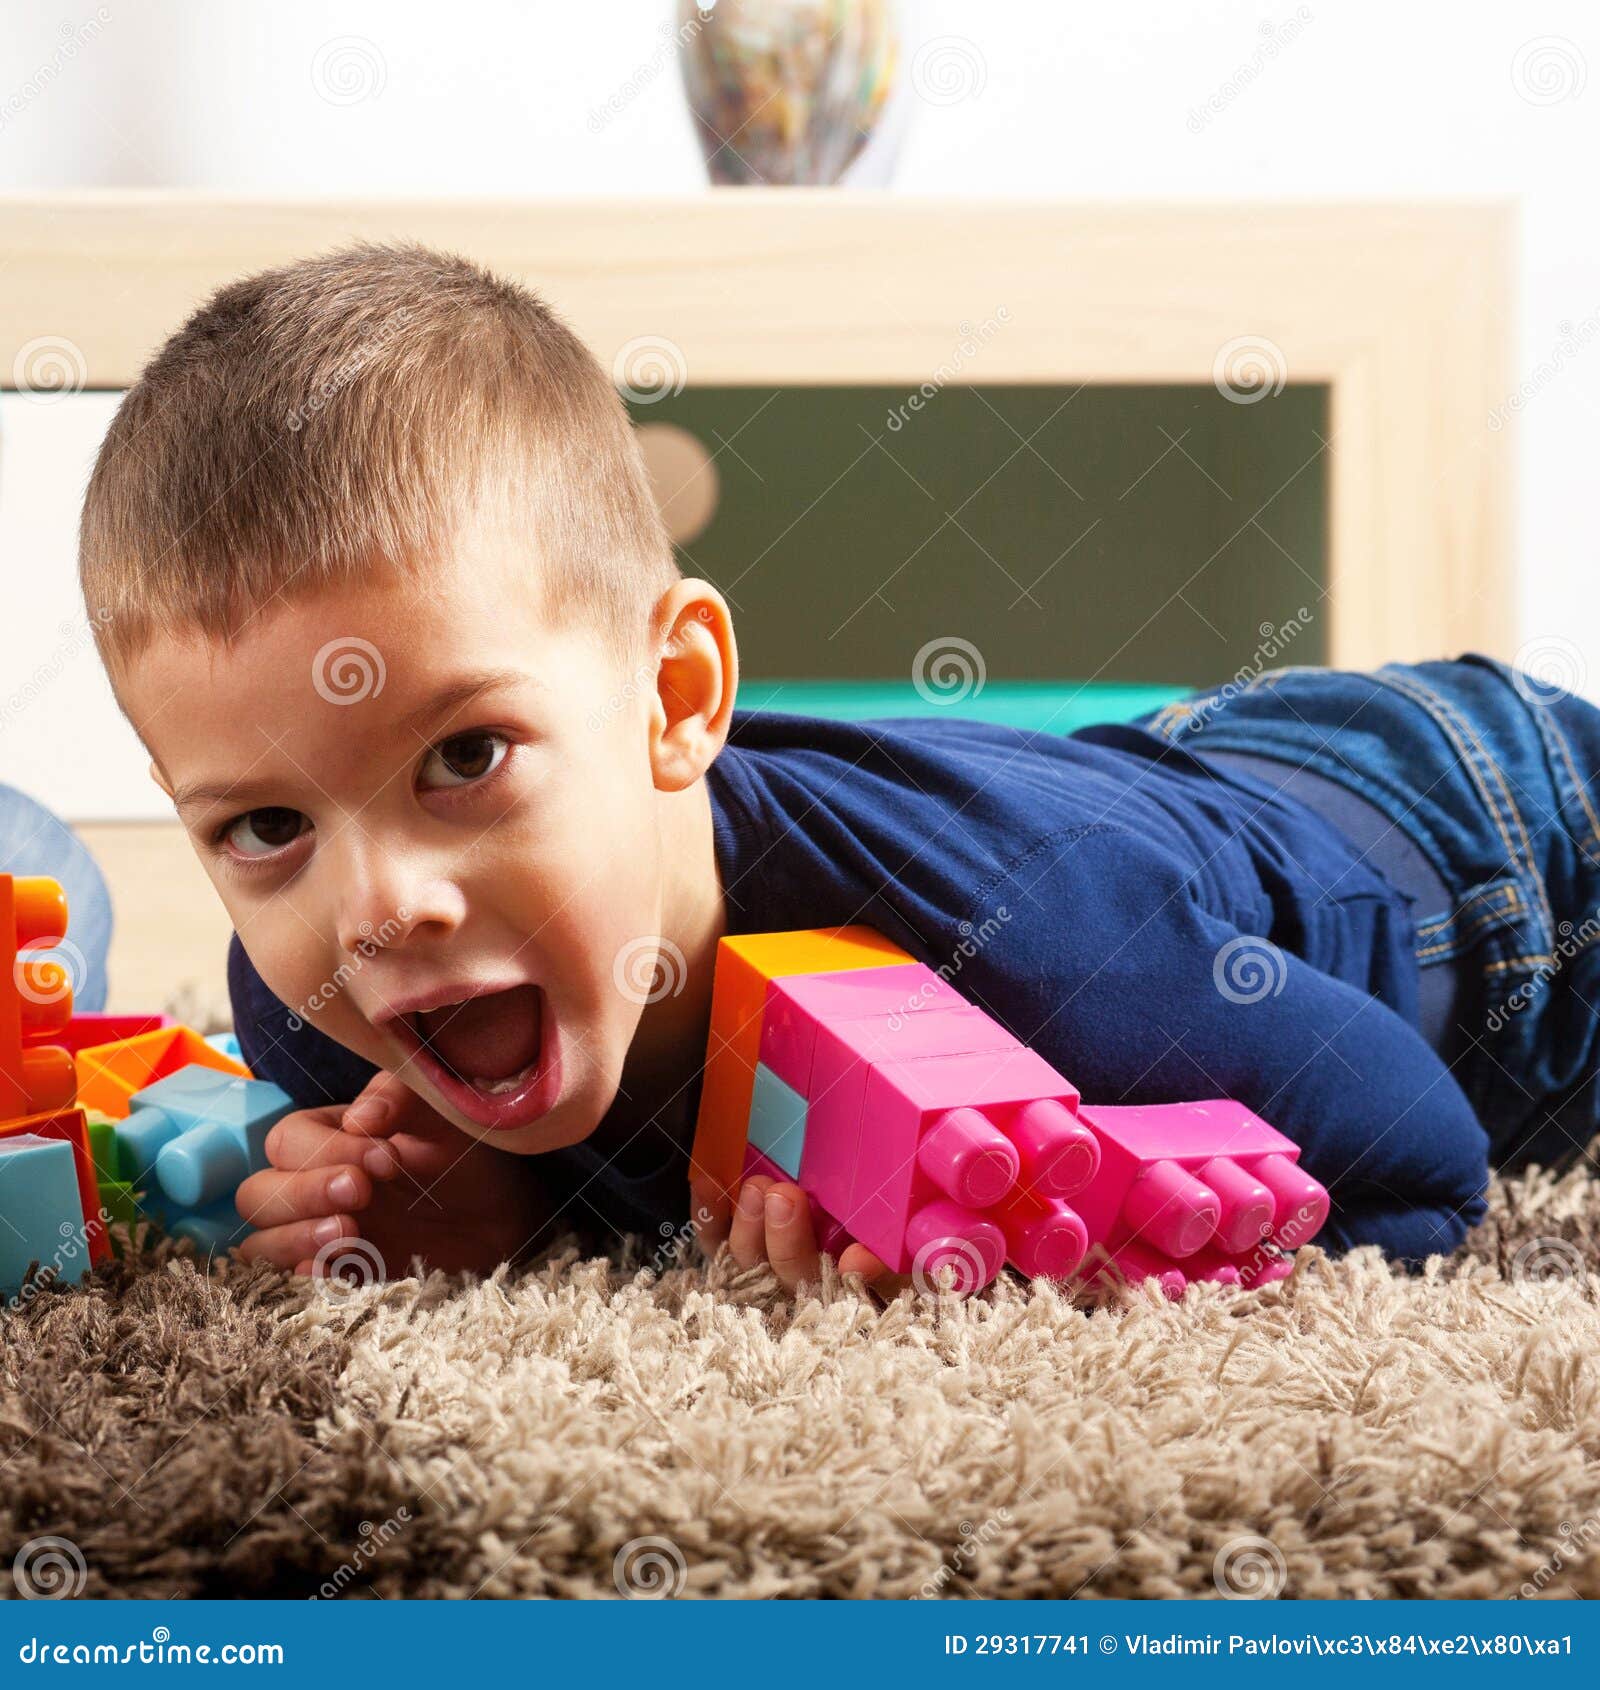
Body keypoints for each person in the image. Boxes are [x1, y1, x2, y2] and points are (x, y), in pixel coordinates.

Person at [71, 243, 1600, 1293]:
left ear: (675, 696)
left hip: (1500, 850)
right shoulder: (321, 1004)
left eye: (463, 755)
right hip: (1182, 778)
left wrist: (1073, 1244)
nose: (377, 903)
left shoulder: (1037, 946)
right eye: (265, 824)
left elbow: (1420, 1155)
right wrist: (470, 1202)